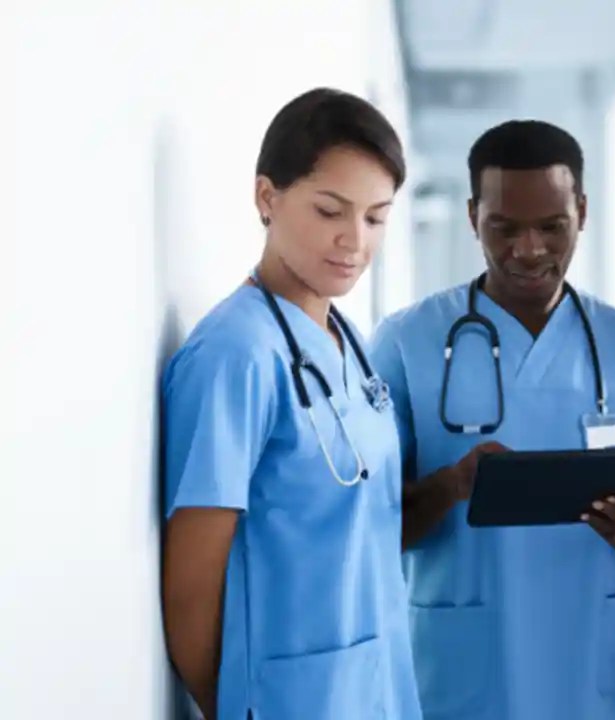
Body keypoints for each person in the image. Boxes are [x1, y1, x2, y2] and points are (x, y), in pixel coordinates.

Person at [367, 119, 615, 719]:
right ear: (471, 216)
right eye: (503, 228)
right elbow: (370, 529)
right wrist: (451, 486)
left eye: (552, 226)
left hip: (585, 658)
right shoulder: (406, 343)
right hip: (460, 662)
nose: (528, 250)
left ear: (582, 212)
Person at [160, 88, 421, 719]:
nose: (354, 241)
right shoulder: (236, 354)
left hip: (376, 688)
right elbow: (191, 587)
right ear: (267, 198)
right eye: (330, 210)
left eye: (376, 218)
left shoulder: (348, 341)